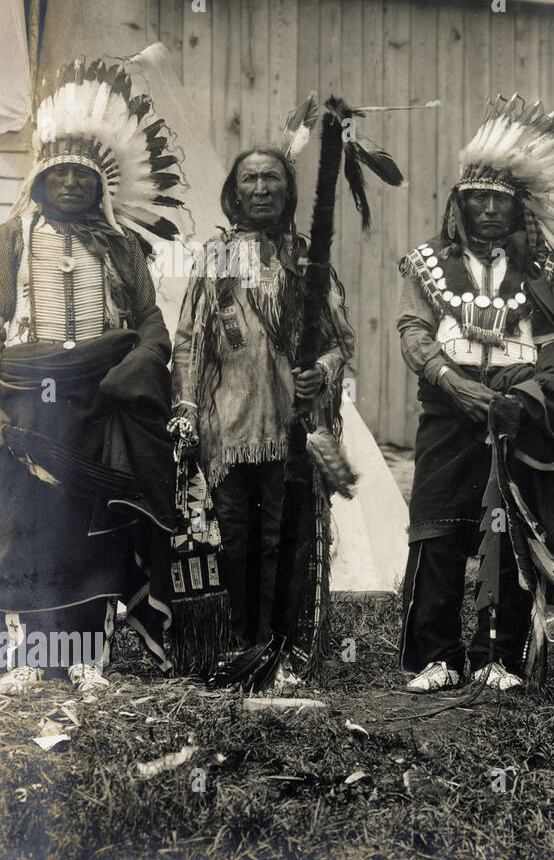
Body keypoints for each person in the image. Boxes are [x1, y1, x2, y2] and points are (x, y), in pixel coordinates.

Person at [397, 95, 554, 693]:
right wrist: (452, 382)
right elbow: (412, 330)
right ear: (458, 204)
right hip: (447, 408)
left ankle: (501, 655)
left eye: (500, 200)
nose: (488, 209)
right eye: (477, 199)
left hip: (516, 414)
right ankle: (436, 654)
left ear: (517, 208)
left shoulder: (542, 270)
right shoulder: (429, 263)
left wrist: (531, 395)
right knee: (437, 526)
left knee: (509, 527)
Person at [0, 57, 184, 694]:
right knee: (27, 520)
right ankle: (28, 655)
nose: (72, 183)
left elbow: (151, 323)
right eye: (60, 173)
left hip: (100, 400)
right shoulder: (11, 240)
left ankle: (85, 654)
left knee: (96, 519)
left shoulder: (122, 247)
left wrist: (132, 371)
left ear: (101, 185)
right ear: (42, 180)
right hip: (28, 397)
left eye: (83, 175)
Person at [172, 144, 354, 684]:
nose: (260, 189)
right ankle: (237, 644)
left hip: (291, 427)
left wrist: (320, 371)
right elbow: (188, 342)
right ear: (234, 190)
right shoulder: (217, 256)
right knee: (232, 533)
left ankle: (283, 650)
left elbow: (340, 341)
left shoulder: (307, 258)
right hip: (226, 424)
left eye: (271, 179)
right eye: (249, 179)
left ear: (289, 190)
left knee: (286, 537)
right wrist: (185, 406)